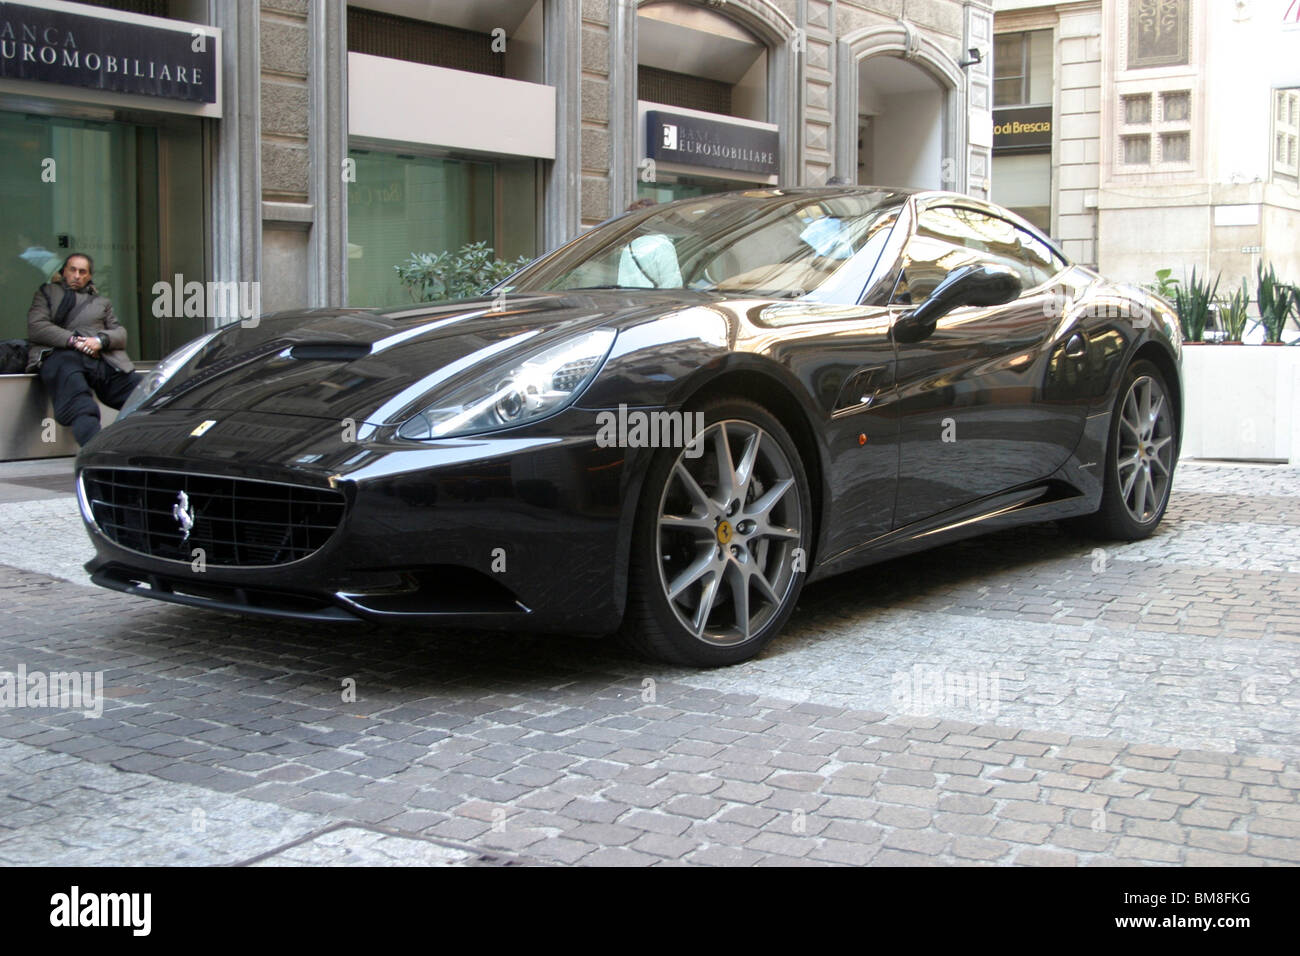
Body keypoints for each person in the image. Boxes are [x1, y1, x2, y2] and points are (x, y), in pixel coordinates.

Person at [26, 253, 140, 446]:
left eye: (82, 271)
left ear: (89, 276)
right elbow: (37, 327)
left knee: (144, 392)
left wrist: (100, 340)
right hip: (62, 356)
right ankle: (96, 451)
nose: (77, 276)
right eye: (73, 270)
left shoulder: (101, 302)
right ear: (64, 272)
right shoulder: (47, 293)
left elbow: (120, 333)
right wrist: (74, 341)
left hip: (100, 358)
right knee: (81, 404)